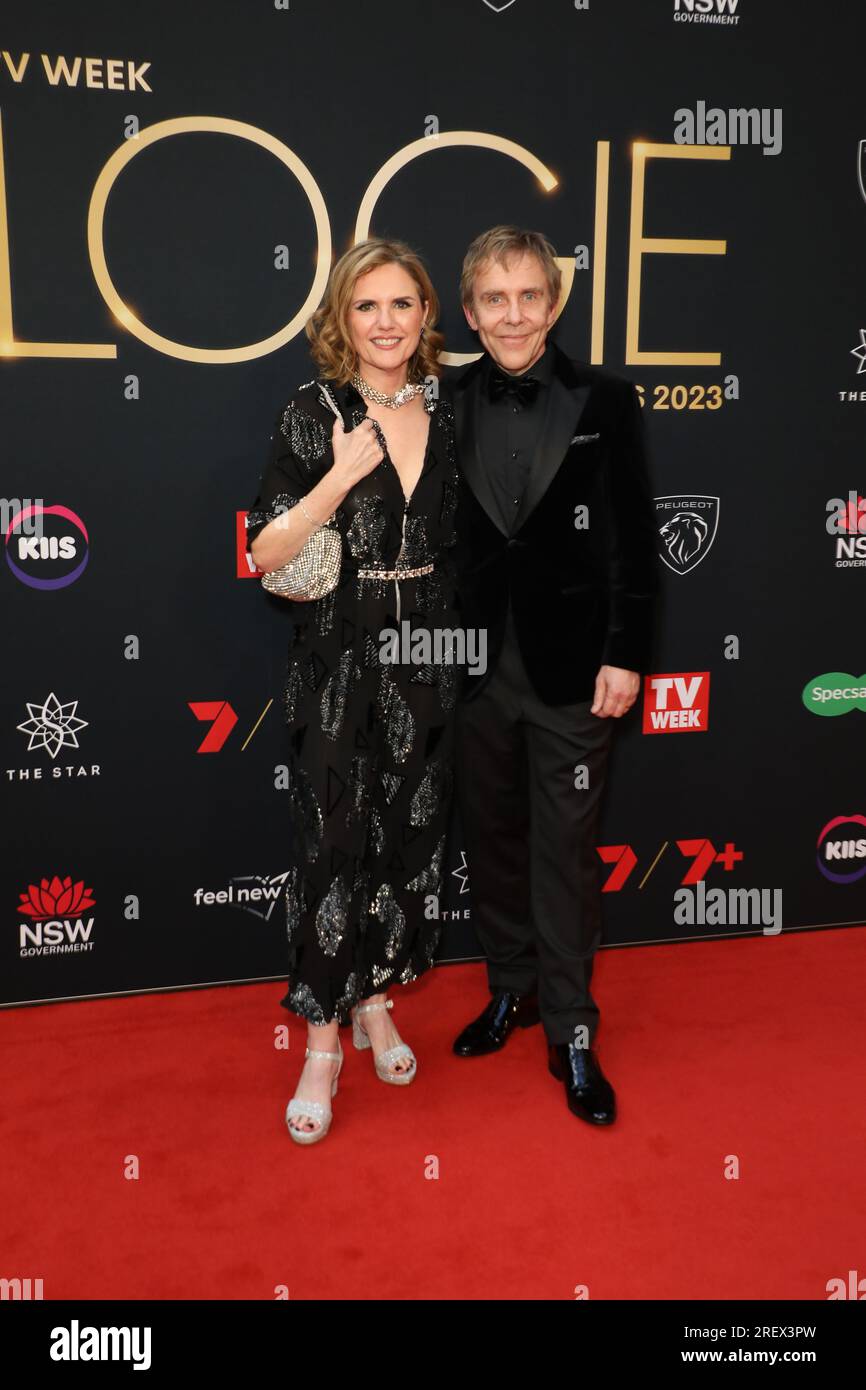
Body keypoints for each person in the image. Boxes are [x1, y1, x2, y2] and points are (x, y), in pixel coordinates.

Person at [244, 238, 459, 1144]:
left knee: (407, 835)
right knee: (332, 841)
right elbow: (263, 555)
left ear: (426, 315)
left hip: (432, 654)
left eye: (402, 304)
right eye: (367, 306)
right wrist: (339, 475)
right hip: (337, 655)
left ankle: (375, 1001)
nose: (386, 323)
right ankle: (323, 1041)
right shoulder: (311, 411)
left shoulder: (455, 407)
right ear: (342, 319)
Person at [444, 226, 659, 1125]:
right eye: (495, 299)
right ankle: (512, 987)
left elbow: (634, 542)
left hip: (575, 671)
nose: (514, 315)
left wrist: (627, 653)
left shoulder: (605, 398)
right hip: (470, 670)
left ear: (555, 304)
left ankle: (571, 1028)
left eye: (530, 295)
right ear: (469, 312)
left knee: (565, 858)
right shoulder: (441, 400)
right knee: (491, 841)